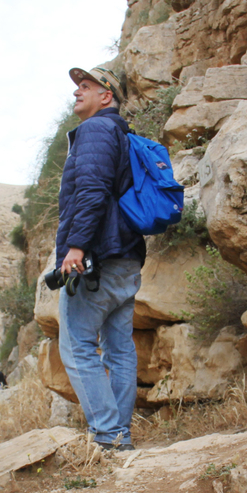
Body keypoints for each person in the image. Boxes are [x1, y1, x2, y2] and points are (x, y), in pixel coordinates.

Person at [55, 65, 145, 452]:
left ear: (106, 96)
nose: (77, 92)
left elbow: (91, 191)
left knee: (77, 345)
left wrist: (76, 246)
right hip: (127, 257)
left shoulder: (95, 129)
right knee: (120, 350)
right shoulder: (122, 134)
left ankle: (109, 435)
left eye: (86, 86)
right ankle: (120, 436)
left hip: (99, 257)